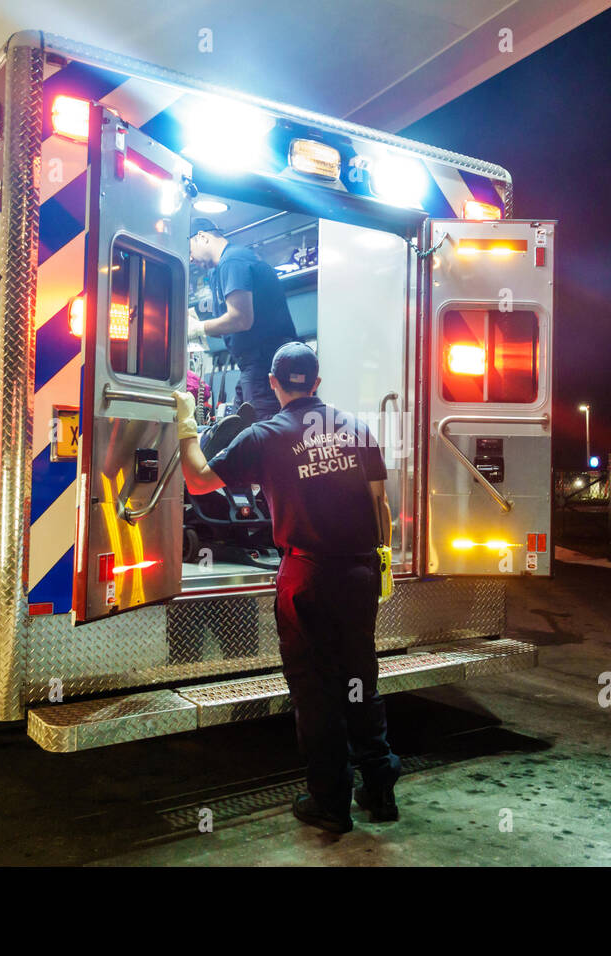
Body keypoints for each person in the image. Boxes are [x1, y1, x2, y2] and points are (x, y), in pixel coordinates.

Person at [172, 343, 401, 833]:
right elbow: (380, 502)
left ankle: (330, 803)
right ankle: (380, 790)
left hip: (308, 577)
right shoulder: (356, 427)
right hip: (361, 573)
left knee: (316, 691)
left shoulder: (265, 435)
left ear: (273, 384)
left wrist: (186, 423)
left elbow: (197, 481)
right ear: (316, 382)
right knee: (360, 679)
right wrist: (382, 560)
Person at [188, 217, 298, 419]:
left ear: (202, 237)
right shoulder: (218, 271)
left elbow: (240, 319)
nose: (190, 259)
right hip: (254, 365)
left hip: (265, 364)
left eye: (189, 251)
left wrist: (198, 328)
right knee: (236, 428)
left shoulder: (233, 261)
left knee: (261, 430)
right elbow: (230, 327)